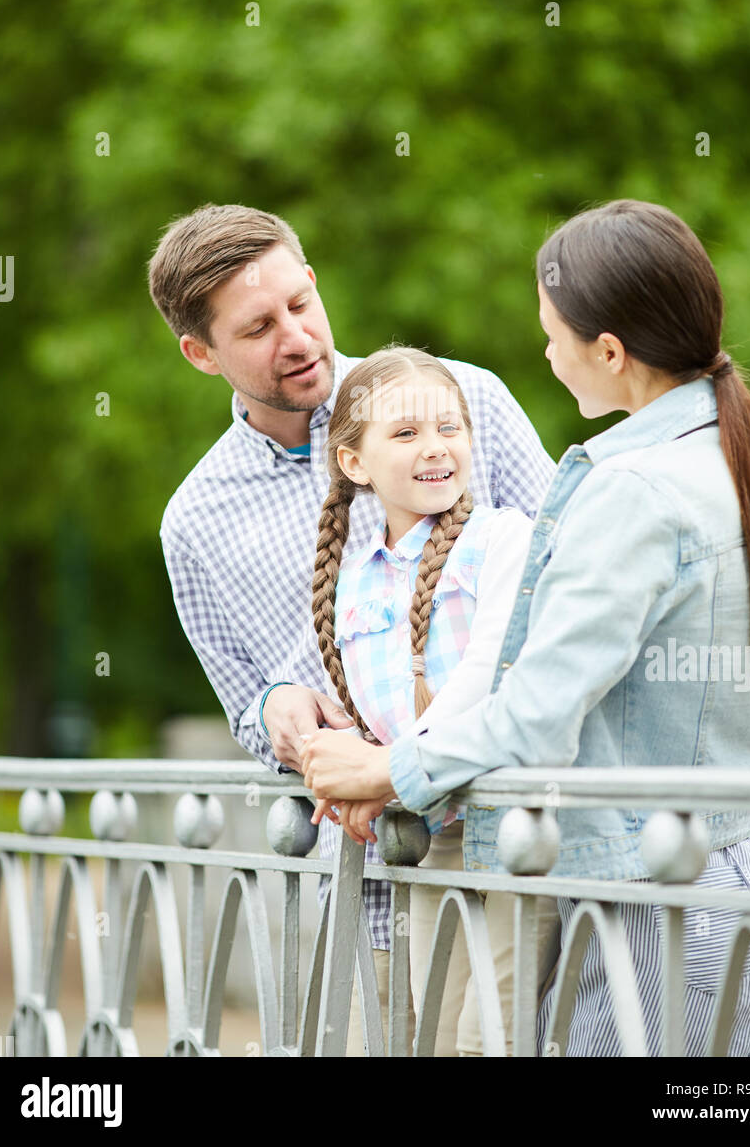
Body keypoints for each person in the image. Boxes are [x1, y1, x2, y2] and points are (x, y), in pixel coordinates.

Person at [300, 198, 750, 1057]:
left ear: (608, 352)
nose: (544, 352)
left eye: (552, 333)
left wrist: (389, 768)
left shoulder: (630, 490)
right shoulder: (745, 466)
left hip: (654, 920)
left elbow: (536, 713)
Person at [147, 202, 555, 1053]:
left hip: (524, 838)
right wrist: (275, 714)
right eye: (257, 327)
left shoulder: (461, 400)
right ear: (199, 353)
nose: (296, 337)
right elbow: (243, 702)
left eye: (300, 303)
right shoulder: (194, 522)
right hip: (375, 881)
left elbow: (574, 587)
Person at [308, 345, 560, 1056]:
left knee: (491, 1039)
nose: (436, 448)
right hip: (426, 843)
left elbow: (488, 674)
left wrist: (385, 770)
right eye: (406, 433)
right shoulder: (352, 583)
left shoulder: (504, 539)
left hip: (513, 838)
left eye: (450, 428)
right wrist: (366, 782)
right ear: (355, 463)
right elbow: (360, 712)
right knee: (433, 1040)